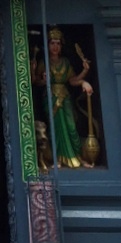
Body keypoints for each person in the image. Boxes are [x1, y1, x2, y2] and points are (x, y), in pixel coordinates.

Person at [32, 28, 93, 169]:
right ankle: (57, 159)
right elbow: (36, 82)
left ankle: (77, 157)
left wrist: (84, 73)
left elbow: (72, 80)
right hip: (51, 97)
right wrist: (43, 79)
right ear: (48, 45)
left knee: (71, 126)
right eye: (52, 43)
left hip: (65, 97)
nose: (55, 46)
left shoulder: (65, 62)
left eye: (58, 43)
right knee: (55, 128)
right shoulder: (44, 62)